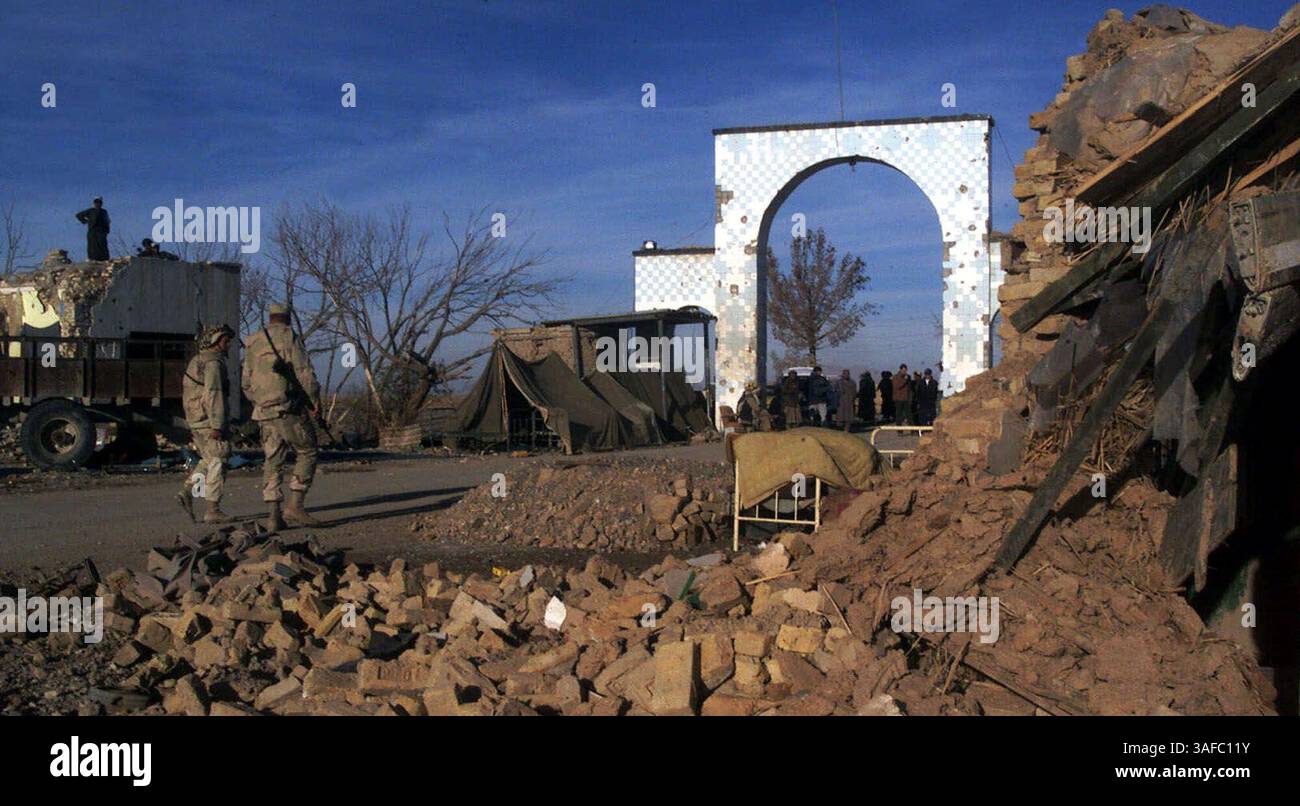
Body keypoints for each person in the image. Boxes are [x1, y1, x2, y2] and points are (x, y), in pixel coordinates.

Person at [243, 303, 322, 530]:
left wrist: (260, 400)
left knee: (273, 459)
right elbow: (305, 373)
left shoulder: (254, 341)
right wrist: (314, 403)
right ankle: (295, 506)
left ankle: (273, 516)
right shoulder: (290, 338)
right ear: (287, 319)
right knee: (307, 450)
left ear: (270, 318)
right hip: (288, 408)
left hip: (263, 411)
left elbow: (246, 383)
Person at [177, 324, 236, 524]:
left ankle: (188, 492)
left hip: (196, 418)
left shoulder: (198, 360)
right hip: (209, 421)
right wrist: (218, 425)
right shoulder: (213, 363)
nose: (228, 345)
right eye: (225, 341)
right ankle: (213, 509)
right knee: (219, 459)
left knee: (207, 460)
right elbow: (214, 394)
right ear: (216, 341)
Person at [75, 197, 111, 261]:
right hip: (92, 230)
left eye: (99, 202)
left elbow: (107, 221)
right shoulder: (90, 210)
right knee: (92, 245)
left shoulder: (104, 211)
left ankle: (104, 259)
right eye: (96, 202)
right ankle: (92, 258)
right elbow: (79, 215)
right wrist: (86, 221)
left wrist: (107, 230)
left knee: (102, 243)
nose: (97, 204)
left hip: (101, 231)